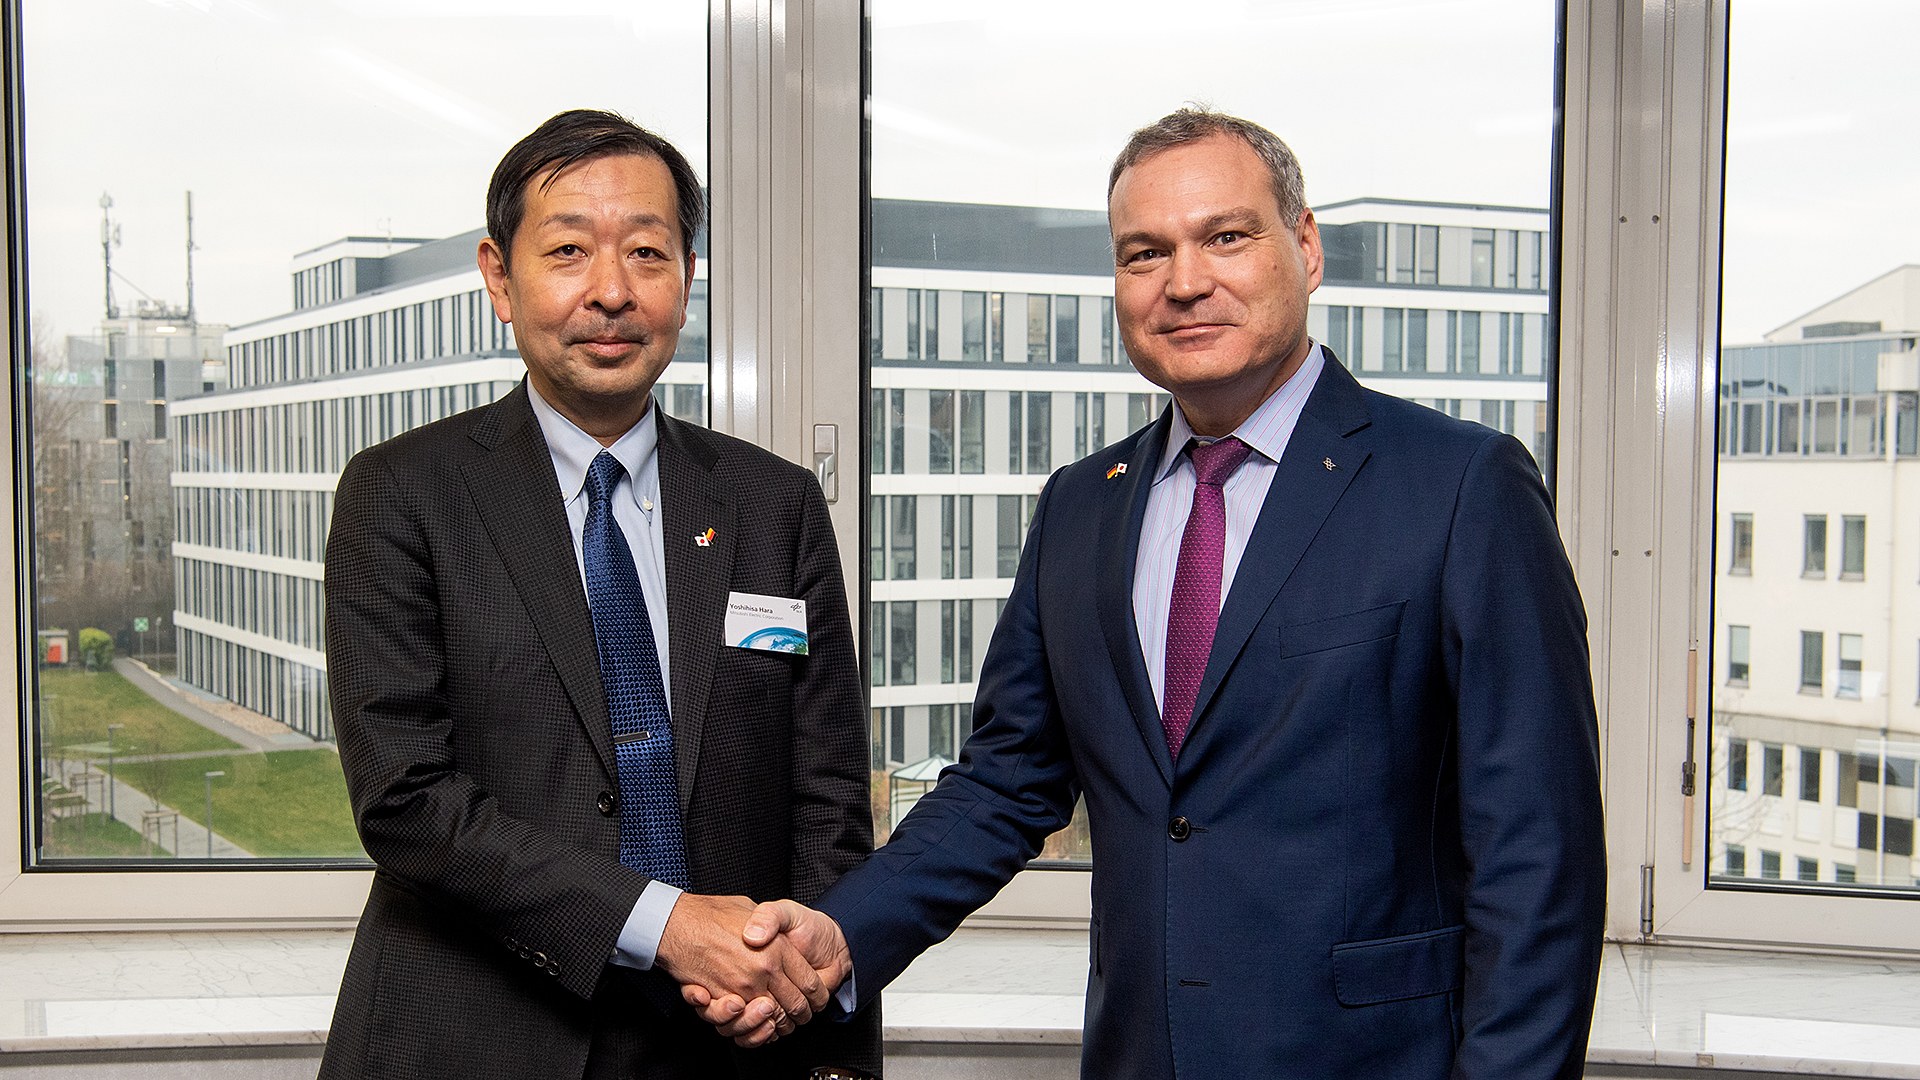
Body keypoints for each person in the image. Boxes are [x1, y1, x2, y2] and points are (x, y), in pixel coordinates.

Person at [724, 107, 1607, 1078]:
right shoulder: (1079, 508)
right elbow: (1005, 785)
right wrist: (839, 935)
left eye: (1226, 237)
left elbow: (1540, 855)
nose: (1185, 282)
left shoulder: (1459, 487)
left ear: (1304, 248)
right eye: (1144, 253)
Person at [319, 109, 881, 1080]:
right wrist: (666, 926)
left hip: (732, 1039)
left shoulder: (771, 505)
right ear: (501, 277)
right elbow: (405, 799)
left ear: (687, 279)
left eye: (648, 254)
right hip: (476, 1037)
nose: (612, 292)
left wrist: (817, 1006)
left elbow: (826, 797)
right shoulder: (403, 495)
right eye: (569, 250)